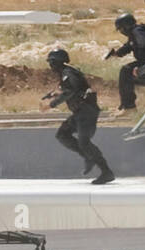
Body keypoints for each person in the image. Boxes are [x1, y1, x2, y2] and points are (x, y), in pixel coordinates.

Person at [43, 49, 114, 184]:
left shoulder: (68, 73)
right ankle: (88, 157)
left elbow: (71, 90)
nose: (50, 66)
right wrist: (52, 94)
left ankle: (106, 172)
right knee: (62, 134)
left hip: (86, 112)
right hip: (80, 112)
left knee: (84, 142)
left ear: (57, 62)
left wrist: (51, 105)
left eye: (52, 62)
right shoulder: (66, 73)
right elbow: (68, 88)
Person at [106, 13, 145, 111]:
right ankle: (130, 104)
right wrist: (116, 54)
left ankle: (129, 107)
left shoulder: (138, 32)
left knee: (125, 71)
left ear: (126, 26)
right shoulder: (137, 32)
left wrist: (141, 67)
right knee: (127, 71)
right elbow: (129, 46)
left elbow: (144, 45)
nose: (121, 32)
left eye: (121, 29)